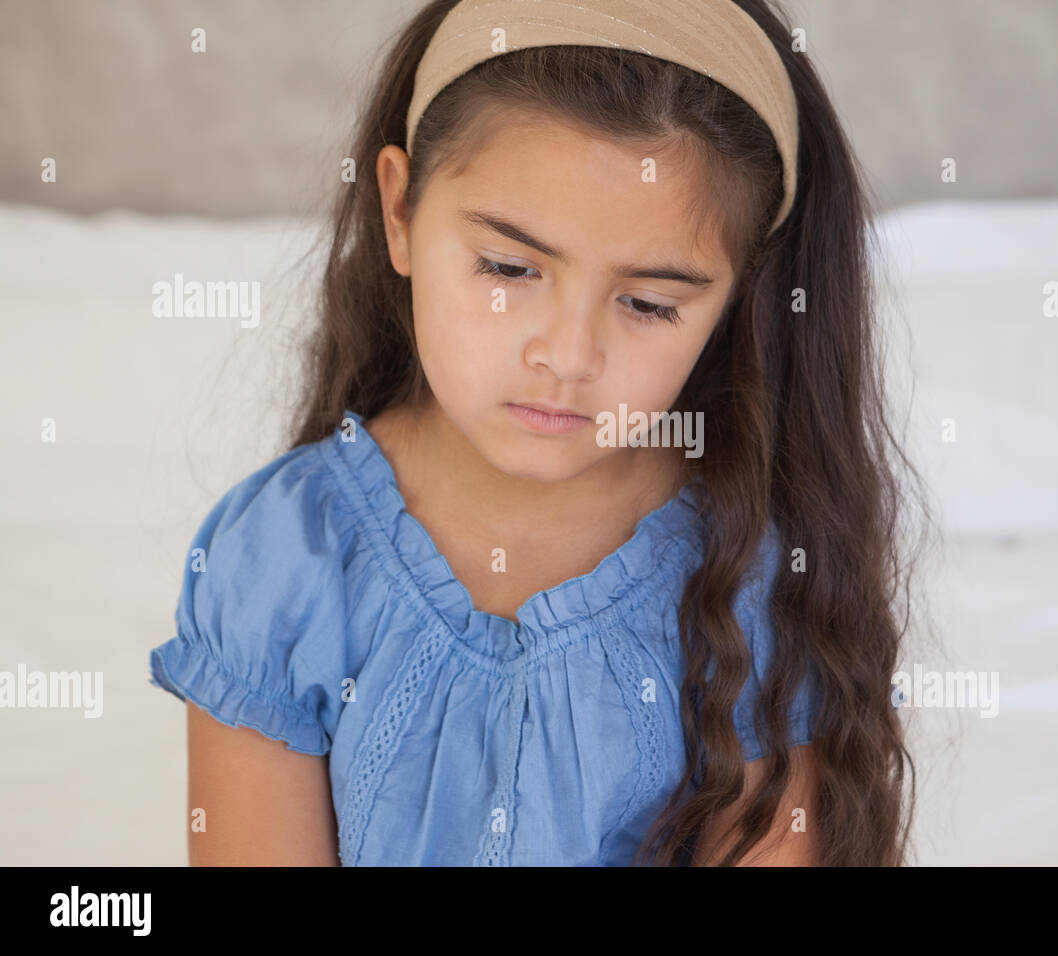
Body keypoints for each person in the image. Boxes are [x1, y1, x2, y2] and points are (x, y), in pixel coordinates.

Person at [148, 0, 925, 866]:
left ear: (737, 297)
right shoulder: (282, 559)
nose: (567, 355)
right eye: (509, 269)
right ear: (400, 211)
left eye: (650, 303)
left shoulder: (758, 581)